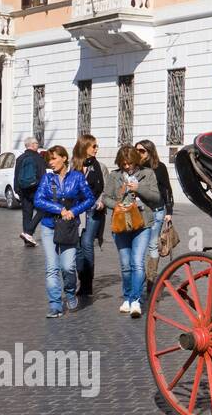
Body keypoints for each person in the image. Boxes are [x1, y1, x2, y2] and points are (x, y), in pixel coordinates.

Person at [33, 145, 95, 318]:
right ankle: (55, 305)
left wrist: (74, 212)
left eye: (54, 158)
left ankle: (69, 292)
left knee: (68, 267)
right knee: (52, 267)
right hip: (49, 226)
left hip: (68, 228)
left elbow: (89, 198)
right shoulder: (47, 178)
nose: (51, 163)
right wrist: (59, 209)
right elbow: (38, 200)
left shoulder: (77, 177)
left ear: (64, 158)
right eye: (49, 160)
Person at [101, 145, 163, 316]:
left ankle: (135, 300)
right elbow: (105, 197)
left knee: (137, 262)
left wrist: (138, 189)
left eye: (130, 163)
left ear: (136, 161)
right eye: (124, 164)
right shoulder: (115, 176)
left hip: (142, 223)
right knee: (126, 265)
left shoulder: (148, 174)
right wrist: (117, 205)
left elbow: (157, 197)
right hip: (121, 224)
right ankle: (127, 297)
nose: (127, 166)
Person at [135, 140, 174, 297]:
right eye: (136, 150)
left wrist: (169, 211)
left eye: (142, 151)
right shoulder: (134, 168)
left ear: (150, 152)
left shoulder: (160, 167)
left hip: (156, 211)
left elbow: (167, 190)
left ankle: (151, 280)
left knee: (152, 245)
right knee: (138, 245)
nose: (138, 154)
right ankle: (140, 275)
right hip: (137, 212)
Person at [72, 135, 107, 298]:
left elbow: (106, 188)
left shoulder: (100, 167)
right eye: (93, 146)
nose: (96, 149)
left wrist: (101, 202)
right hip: (78, 211)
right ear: (84, 147)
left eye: (97, 146)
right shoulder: (73, 167)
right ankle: (82, 278)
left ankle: (88, 283)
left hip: (94, 210)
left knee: (86, 243)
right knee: (78, 245)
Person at [14, 136, 47, 247]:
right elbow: (43, 175)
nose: (38, 145)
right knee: (43, 210)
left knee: (26, 214)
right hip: (36, 189)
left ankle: (28, 239)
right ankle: (28, 232)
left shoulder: (20, 158)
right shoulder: (38, 158)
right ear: (32, 145)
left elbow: (16, 175)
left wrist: (17, 190)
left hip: (23, 190)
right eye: (37, 143)